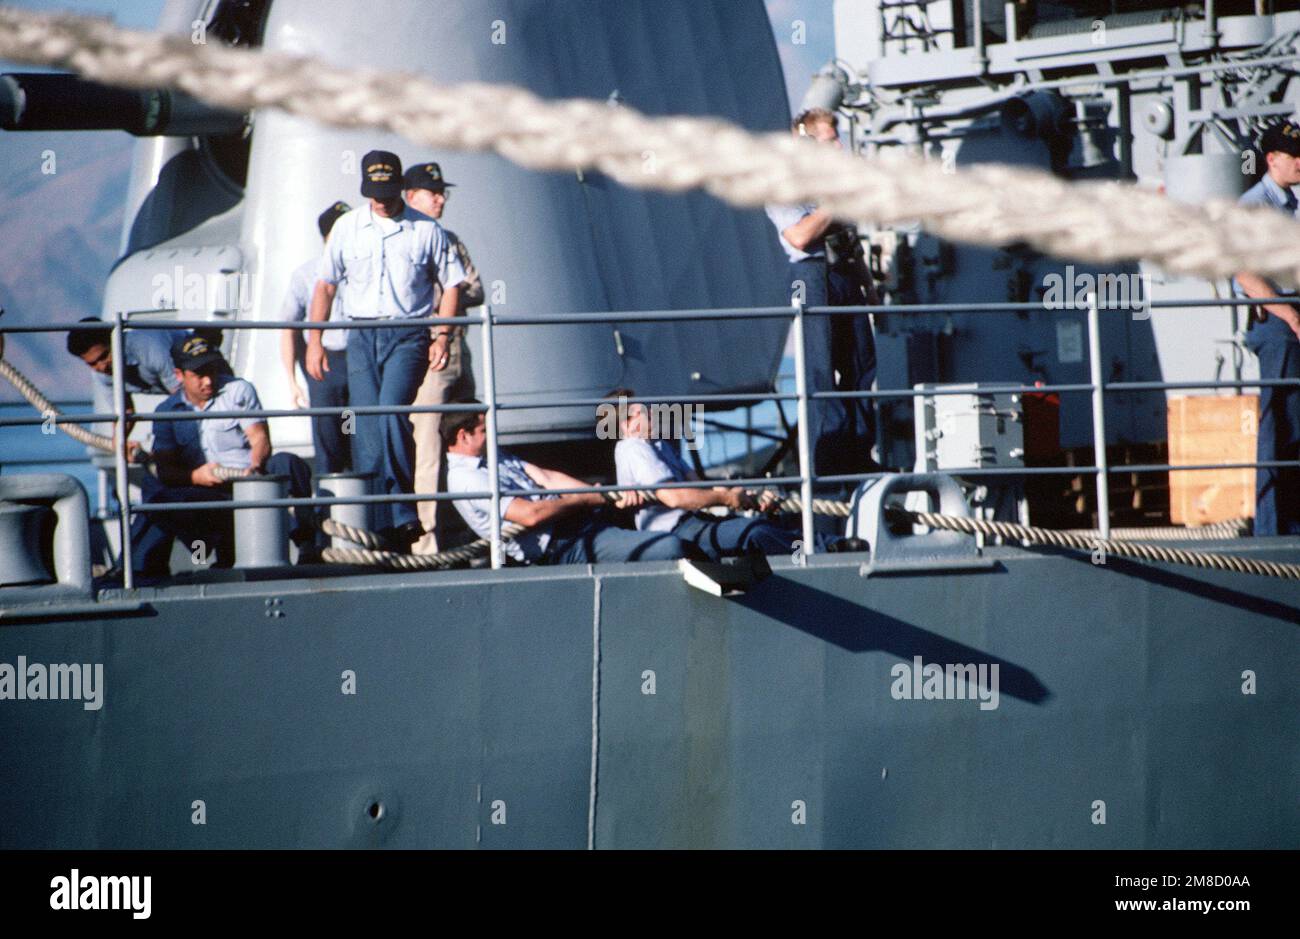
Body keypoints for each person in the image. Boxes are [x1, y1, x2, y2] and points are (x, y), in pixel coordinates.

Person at [305, 150, 465, 550]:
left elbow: (454, 285)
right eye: (374, 192)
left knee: (392, 411)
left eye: (388, 192)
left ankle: (401, 510)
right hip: (360, 335)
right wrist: (314, 341)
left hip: (407, 334)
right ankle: (376, 521)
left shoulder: (426, 230)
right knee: (366, 427)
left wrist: (441, 335)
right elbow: (325, 285)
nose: (381, 200)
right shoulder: (347, 227)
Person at [602, 390, 866, 558]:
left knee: (768, 523)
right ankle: (823, 550)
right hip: (678, 530)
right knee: (753, 533)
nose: (649, 411)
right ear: (628, 423)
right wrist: (728, 501)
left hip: (696, 520)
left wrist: (744, 496)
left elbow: (698, 484)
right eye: (640, 410)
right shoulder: (631, 448)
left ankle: (832, 545)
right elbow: (675, 497)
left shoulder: (658, 446)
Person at [130, 335, 312, 577]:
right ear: (179, 375)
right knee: (157, 496)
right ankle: (144, 572)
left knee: (287, 463)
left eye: (211, 371)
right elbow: (166, 469)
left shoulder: (238, 391)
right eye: (198, 374)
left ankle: (309, 547)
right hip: (209, 492)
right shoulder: (166, 412)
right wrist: (196, 476)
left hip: (252, 482)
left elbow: (259, 438)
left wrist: (255, 468)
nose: (208, 380)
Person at [765, 107, 881, 482]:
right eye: (832, 140)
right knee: (821, 369)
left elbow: (849, 239)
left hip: (845, 274)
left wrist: (869, 287)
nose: (840, 147)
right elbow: (800, 236)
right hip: (812, 276)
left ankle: (859, 452)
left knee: (862, 367)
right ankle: (827, 461)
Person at [444, 405, 692, 565]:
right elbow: (530, 515)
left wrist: (601, 494)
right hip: (561, 546)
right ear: (463, 436)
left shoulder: (492, 455)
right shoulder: (465, 479)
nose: (493, 434)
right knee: (670, 546)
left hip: (578, 523)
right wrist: (585, 499)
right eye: (484, 429)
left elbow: (546, 477)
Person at [403, 162, 481, 554]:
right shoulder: (403, 239)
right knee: (428, 446)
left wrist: (444, 292)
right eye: (432, 192)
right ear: (409, 197)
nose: (440, 198)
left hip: (457, 354)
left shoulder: (449, 239)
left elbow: (475, 287)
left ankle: (470, 525)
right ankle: (427, 538)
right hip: (428, 356)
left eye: (442, 192)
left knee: (468, 435)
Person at [1232, 120, 1300, 536]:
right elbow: (1245, 274)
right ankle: (1272, 529)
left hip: (1294, 320)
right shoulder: (1254, 206)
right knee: (1276, 429)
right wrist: (1288, 315)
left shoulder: (1292, 206)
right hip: (1276, 325)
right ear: (1272, 159)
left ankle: (1292, 525)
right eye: (1295, 156)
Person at [280, 201, 352, 474]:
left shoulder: (361, 271)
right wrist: (292, 381)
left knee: (355, 429)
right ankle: (326, 506)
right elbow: (287, 327)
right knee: (328, 436)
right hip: (325, 366)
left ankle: (361, 502)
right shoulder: (306, 275)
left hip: (356, 361)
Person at [67, 317, 190, 459]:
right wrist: (120, 443)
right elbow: (124, 411)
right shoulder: (101, 374)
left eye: (104, 356)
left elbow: (184, 399)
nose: (101, 367)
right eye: (92, 364)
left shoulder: (148, 347)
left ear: (115, 341)